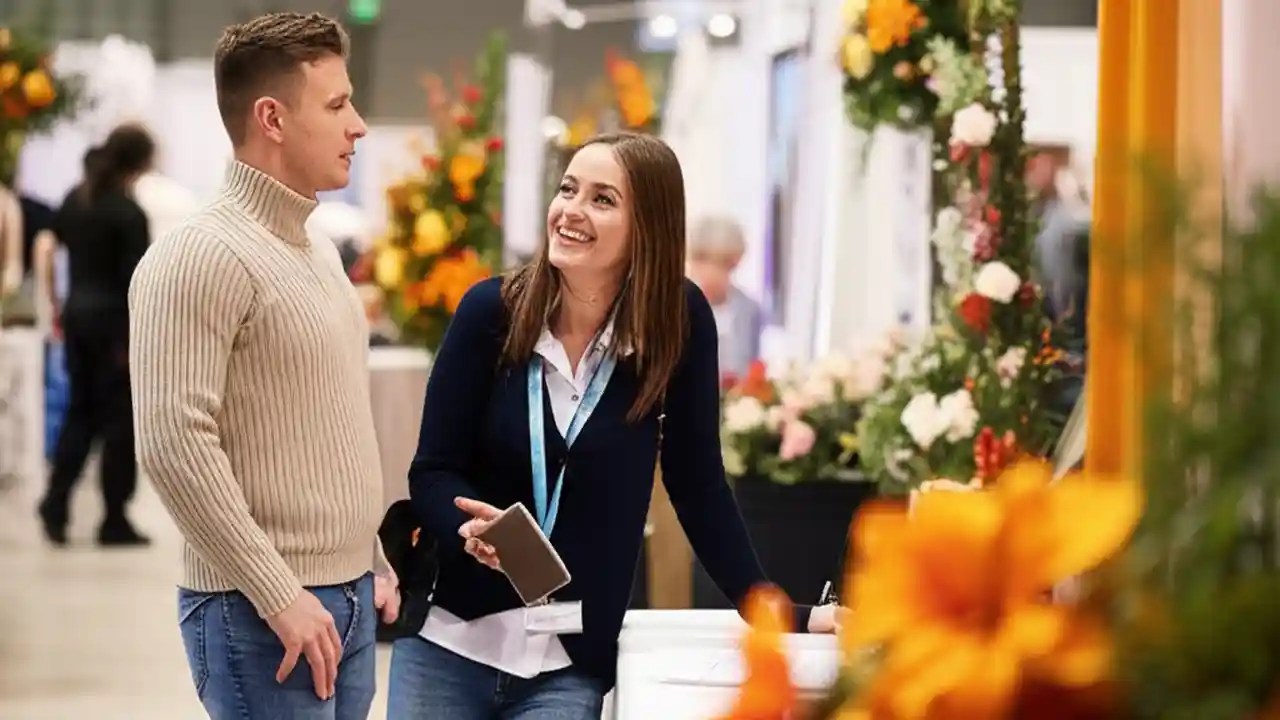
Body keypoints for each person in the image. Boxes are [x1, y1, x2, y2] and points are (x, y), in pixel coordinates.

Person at [386, 132, 838, 719]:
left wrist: (777, 609)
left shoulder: (680, 322)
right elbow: (433, 470)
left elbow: (698, 487)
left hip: (568, 665)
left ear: (647, 227)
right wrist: (465, 527)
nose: (572, 210)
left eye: (602, 199)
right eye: (569, 188)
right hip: (450, 643)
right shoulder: (489, 313)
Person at [127, 13, 398, 719]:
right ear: (272, 118)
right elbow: (173, 443)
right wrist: (278, 593)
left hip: (345, 598)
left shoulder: (316, 253)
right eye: (337, 105)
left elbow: (324, 424)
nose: (359, 125)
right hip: (259, 610)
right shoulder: (199, 256)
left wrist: (370, 558)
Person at [36, 126, 154, 547]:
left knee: (79, 414)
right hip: (113, 327)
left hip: (77, 319)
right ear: (141, 161)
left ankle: (55, 502)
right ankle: (114, 518)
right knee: (119, 423)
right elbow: (136, 283)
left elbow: (48, 247)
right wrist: (134, 341)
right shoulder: (128, 212)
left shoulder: (76, 198)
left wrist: (54, 303)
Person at [685, 215, 764, 380]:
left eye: (724, 264)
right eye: (703, 260)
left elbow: (750, 371)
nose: (711, 272)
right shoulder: (672, 305)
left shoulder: (749, 310)